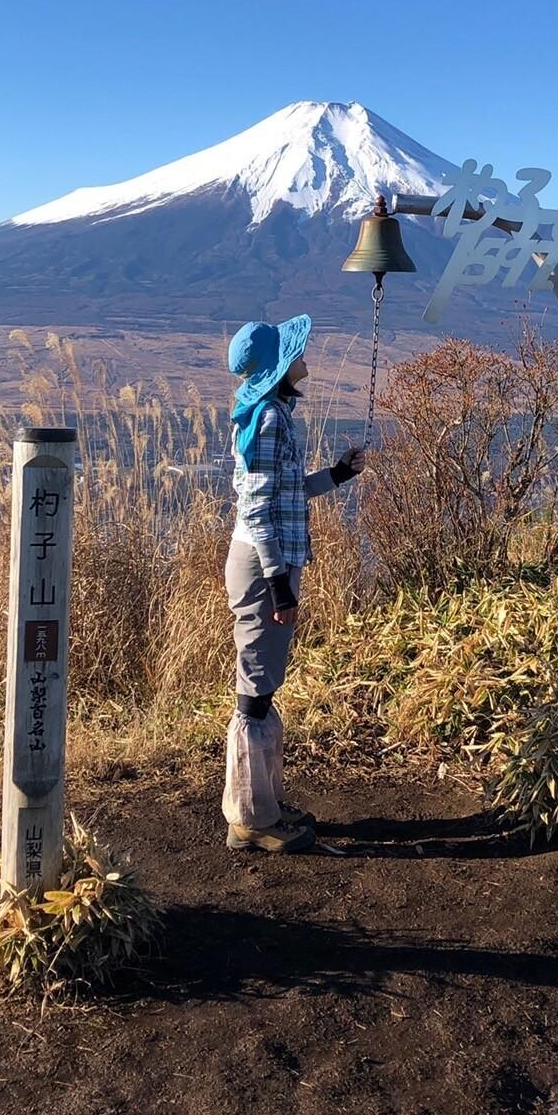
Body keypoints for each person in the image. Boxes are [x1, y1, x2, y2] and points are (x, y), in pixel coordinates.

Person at [222, 313, 365, 853]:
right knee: (254, 692)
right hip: (265, 565)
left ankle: (262, 806)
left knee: (262, 684)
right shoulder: (268, 419)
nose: (304, 357)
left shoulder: (271, 413)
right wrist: (279, 583)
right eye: (294, 352)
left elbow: (284, 492)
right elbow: (256, 510)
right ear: (278, 368)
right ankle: (252, 820)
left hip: (267, 562)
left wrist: (338, 474)